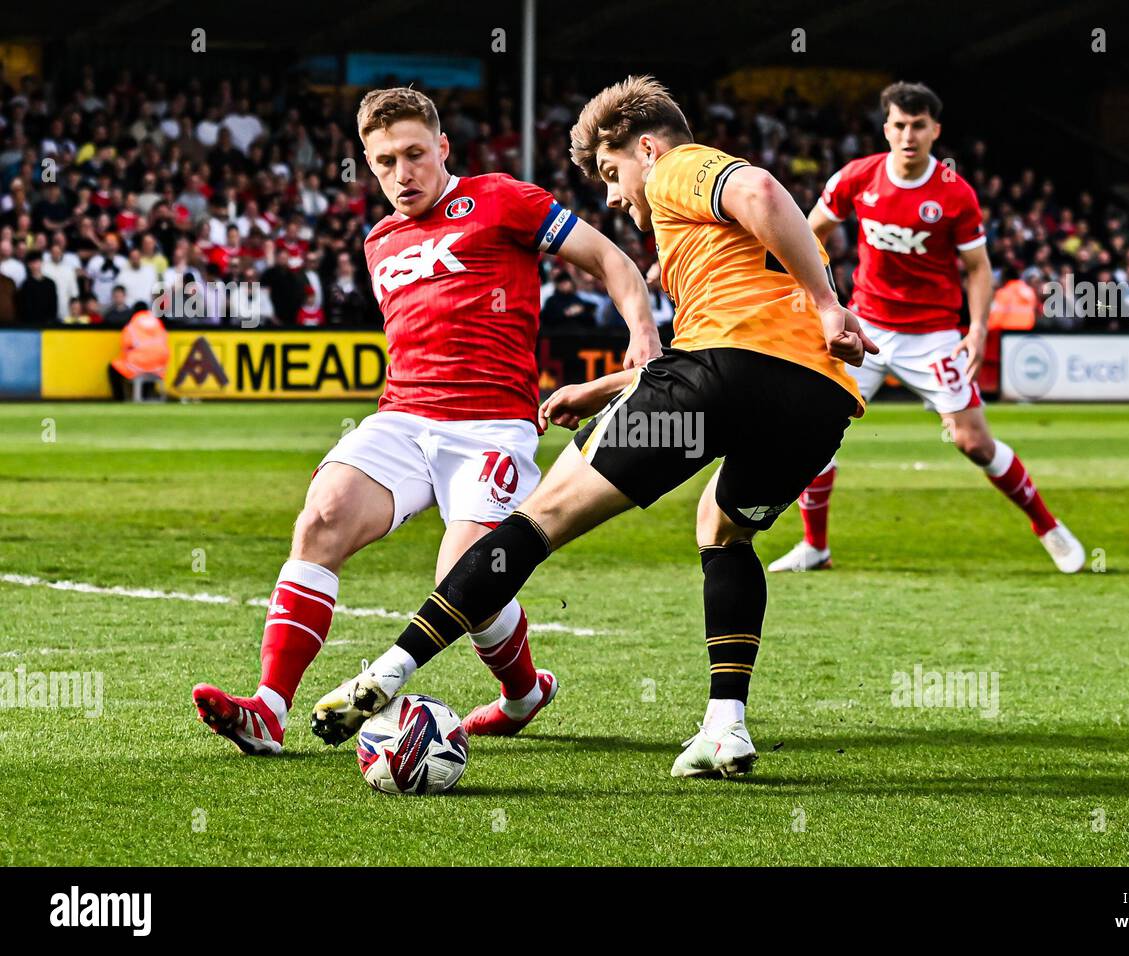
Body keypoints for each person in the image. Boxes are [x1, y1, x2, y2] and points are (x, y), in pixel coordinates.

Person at [311, 76, 872, 778]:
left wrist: (826, 300)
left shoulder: (677, 167)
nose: (613, 195)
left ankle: (389, 671)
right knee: (723, 531)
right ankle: (725, 727)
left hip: (719, 383)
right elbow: (724, 348)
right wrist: (605, 387)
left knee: (535, 520)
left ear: (642, 146)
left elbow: (759, 194)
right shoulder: (701, 248)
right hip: (815, 404)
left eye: (612, 173)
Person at [192, 86, 660, 755]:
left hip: (493, 427)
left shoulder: (503, 199)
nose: (401, 173)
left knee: (467, 574)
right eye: (384, 162)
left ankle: (524, 694)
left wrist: (640, 332)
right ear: (368, 164)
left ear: (442, 148)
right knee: (321, 517)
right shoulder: (378, 240)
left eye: (415, 154)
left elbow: (611, 260)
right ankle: (268, 709)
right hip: (404, 417)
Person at [767, 82, 1084, 574]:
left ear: (935, 130)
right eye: (899, 125)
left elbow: (978, 268)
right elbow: (807, 236)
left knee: (973, 443)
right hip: (866, 327)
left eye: (918, 126)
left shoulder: (955, 195)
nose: (908, 135)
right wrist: (811, 298)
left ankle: (1046, 525)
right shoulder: (857, 177)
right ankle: (816, 547)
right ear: (886, 127)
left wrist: (977, 330)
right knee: (813, 432)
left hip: (933, 333)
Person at [107, 308, 169, 399]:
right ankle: (146, 395)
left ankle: (119, 399)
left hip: (138, 365)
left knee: (114, 367)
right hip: (159, 367)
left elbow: (125, 345)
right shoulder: (158, 324)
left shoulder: (132, 325)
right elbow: (165, 342)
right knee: (149, 366)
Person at [17, 252, 57, 325]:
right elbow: (24, 308)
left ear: (41, 262)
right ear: (28, 265)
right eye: (32, 262)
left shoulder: (50, 283)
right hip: (31, 325)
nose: (35, 265)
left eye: (37, 262)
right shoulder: (26, 284)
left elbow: (53, 305)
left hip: (48, 324)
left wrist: (50, 320)